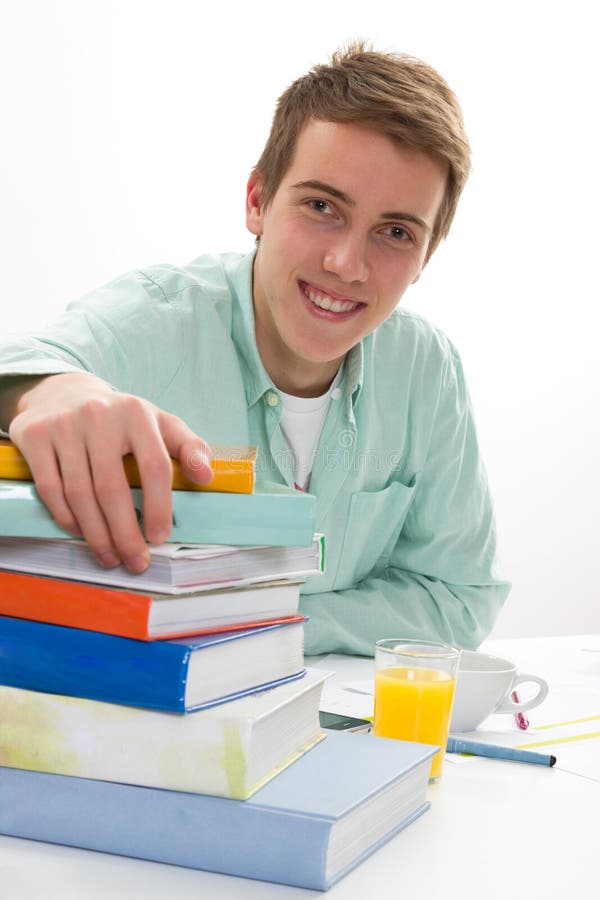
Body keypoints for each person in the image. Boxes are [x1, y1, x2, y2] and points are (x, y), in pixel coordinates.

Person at [0, 42, 510, 656]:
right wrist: (53, 389)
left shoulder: (428, 370)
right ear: (257, 201)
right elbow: (28, 365)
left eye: (396, 232)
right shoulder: (157, 320)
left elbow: (459, 596)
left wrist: (269, 625)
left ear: (426, 256)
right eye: (322, 207)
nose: (346, 264)